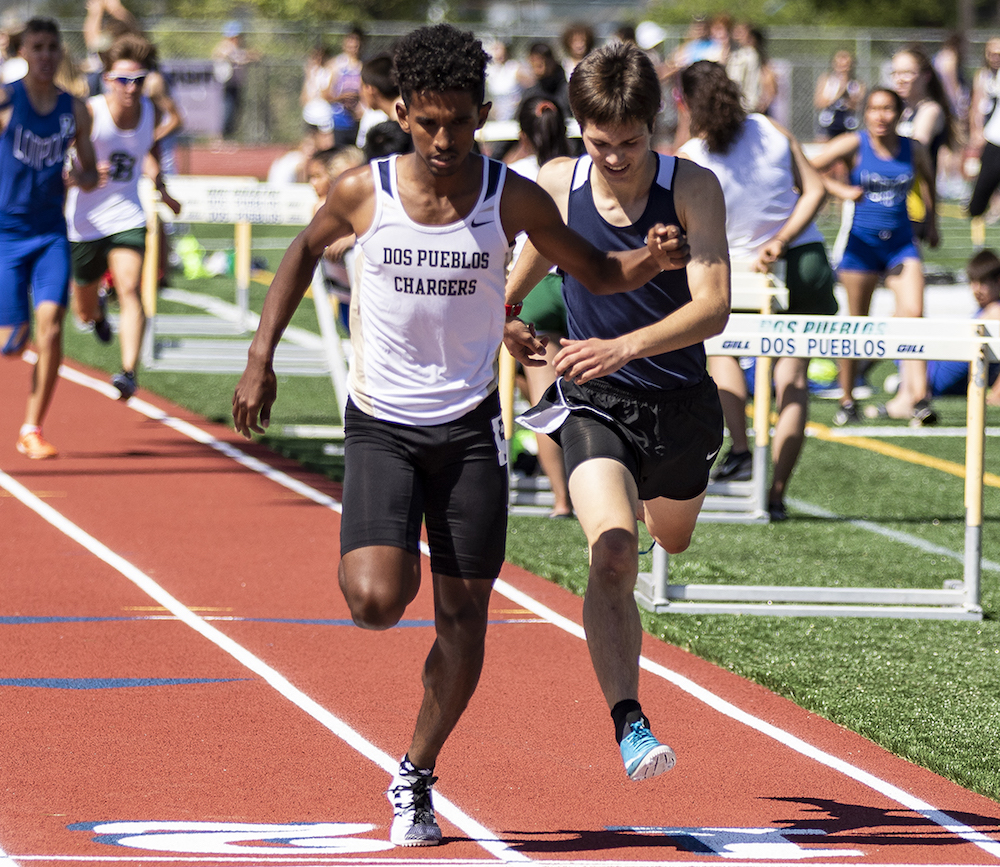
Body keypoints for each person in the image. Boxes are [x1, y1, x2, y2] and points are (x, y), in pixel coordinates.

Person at [231, 23, 689, 847]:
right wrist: (260, 359)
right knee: (376, 600)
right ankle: (394, 564)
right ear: (402, 111)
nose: (443, 141)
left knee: (464, 622)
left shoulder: (509, 198)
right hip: (383, 427)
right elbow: (301, 255)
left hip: (471, 431)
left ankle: (416, 773)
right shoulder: (360, 191)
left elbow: (594, 270)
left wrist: (652, 263)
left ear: (482, 112)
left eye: (459, 124)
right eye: (427, 123)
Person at [504, 41, 730, 781]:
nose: (616, 157)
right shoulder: (555, 185)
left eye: (631, 142)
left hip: (680, 405)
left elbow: (714, 308)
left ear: (654, 126)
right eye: (601, 143)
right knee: (613, 554)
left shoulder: (692, 188)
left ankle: (655, 510)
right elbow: (506, 284)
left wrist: (624, 345)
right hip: (593, 400)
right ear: (579, 127)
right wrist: (509, 322)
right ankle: (629, 720)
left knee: (675, 536)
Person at [677, 60, 836, 522]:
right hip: (800, 260)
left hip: (737, 274)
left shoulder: (690, 154)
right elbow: (816, 190)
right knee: (793, 379)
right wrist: (781, 240)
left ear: (686, 104)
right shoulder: (769, 128)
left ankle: (742, 447)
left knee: (719, 351)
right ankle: (777, 492)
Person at [810, 87, 938, 425]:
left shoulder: (913, 148)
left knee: (914, 313)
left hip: (901, 244)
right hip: (861, 245)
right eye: (875, 109)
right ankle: (848, 397)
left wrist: (932, 219)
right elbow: (808, 167)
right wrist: (841, 190)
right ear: (865, 114)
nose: (881, 116)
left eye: (888, 109)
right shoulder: (855, 143)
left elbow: (928, 179)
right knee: (857, 324)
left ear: (899, 114)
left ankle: (920, 398)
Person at [1, 17, 98, 459]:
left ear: (61, 53)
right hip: (5, 233)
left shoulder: (74, 109)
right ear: (23, 53)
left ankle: (31, 429)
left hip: (49, 234)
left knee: (52, 327)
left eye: (52, 47)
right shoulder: (6, 101)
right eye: (36, 47)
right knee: (11, 336)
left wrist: (78, 175)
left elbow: (92, 173)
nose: (45, 55)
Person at [65, 32, 180, 401]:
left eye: (139, 81)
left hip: (127, 214)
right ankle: (96, 313)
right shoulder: (91, 112)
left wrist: (162, 189)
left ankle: (129, 372)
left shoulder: (151, 111)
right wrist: (79, 176)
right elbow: (61, 156)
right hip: (84, 222)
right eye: (124, 80)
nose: (132, 89)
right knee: (81, 308)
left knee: (130, 289)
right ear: (108, 79)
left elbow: (150, 148)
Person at [506, 94, 574, 518]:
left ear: (521, 134)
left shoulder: (514, 174)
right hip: (580, 286)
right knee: (594, 395)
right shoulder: (580, 171)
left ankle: (561, 499)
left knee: (546, 399)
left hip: (533, 289)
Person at [891, 45, 956, 240]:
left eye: (907, 73)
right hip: (892, 199)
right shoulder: (901, 111)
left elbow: (916, 147)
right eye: (895, 73)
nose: (899, 79)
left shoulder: (930, 110)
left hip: (914, 204)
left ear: (925, 76)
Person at [968, 38, 1000, 225]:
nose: (995, 58)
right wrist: (976, 130)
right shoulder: (983, 75)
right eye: (992, 54)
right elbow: (976, 106)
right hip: (988, 133)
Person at [212, 20, 259, 140]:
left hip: (236, 84)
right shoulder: (224, 47)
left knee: (235, 110)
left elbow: (254, 55)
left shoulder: (240, 48)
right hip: (225, 84)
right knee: (226, 109)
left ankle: (229, 135)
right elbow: (220, 55)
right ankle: (221, 136)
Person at [814, 50, 864, 142]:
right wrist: (838, 92)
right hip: (828, 124)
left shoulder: (857, 83)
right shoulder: (826, 80)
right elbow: (819, 103)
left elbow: (860, 106)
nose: (843, 69)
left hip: (848, 124)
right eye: (839, 65)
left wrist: (848, 99)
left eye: (846, 65)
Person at [326, 25, 364, 147]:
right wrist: (343, 97)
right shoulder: (335, 65)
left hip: (360, 121)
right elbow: (325, 94)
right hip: (340, 122)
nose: (353, 46)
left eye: (357, 42)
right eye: (350, 42)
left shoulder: (365, 65)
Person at [355, 53, 400, 150]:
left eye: (361, 87)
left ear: (370, 90)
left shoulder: (401, 121)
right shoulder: (397, 114)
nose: (360, 93)